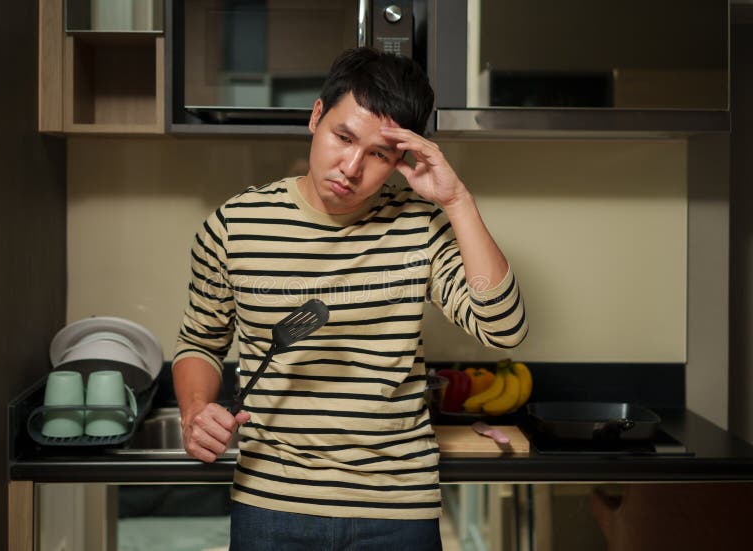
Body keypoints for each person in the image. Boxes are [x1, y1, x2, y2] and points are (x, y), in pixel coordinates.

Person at [172, 47, 528, 551]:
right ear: (316, 116)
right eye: (343, 137)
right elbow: (199, 344)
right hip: (271, 501)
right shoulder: (234, 226)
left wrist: (456, 201)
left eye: (379, 154)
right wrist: (194, 410)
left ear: (401, 159)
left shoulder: (418, 225)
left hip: (398, 506)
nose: (351, 167)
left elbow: (504, 328)